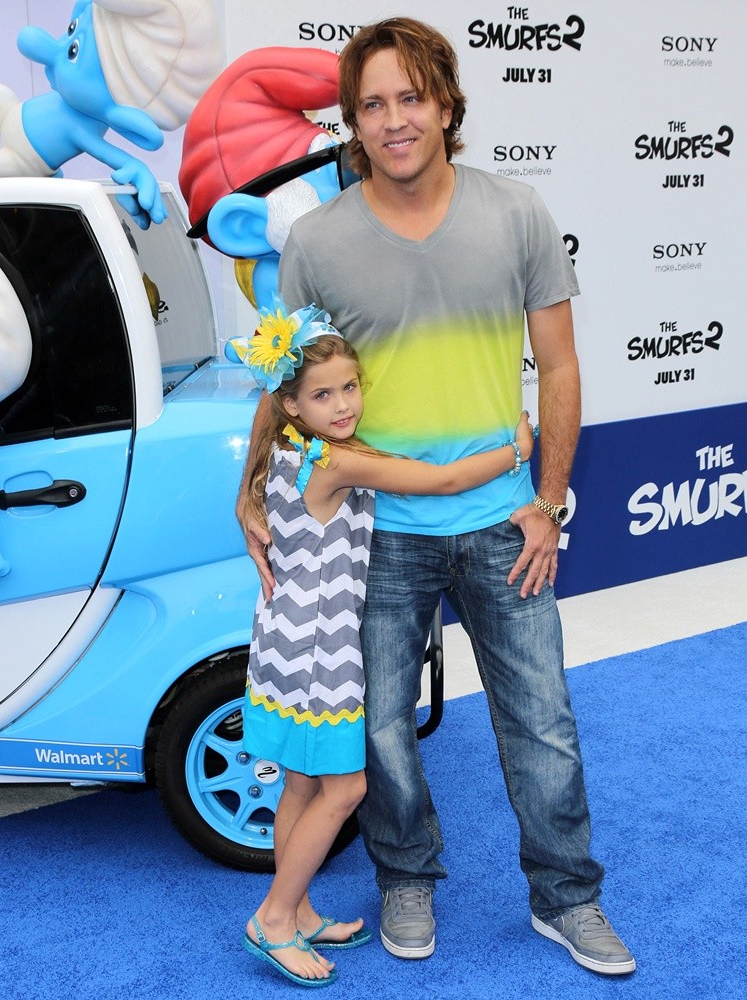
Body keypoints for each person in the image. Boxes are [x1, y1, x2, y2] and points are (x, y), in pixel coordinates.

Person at [238, 15, 636, 978]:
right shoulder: (318, 243)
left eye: (410, 97)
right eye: (372, 105)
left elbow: (561, 366)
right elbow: (283, 385)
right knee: (380, 732)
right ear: (352, 123)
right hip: (373, 535)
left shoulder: (518, 213)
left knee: (542, 722)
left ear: (447, 104)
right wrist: (249, 493)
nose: (394, 120)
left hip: (504, 520)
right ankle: (404, 879)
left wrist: (549, 501)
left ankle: (566, 896)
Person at [237, 299, 535, 987]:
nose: (343, 404)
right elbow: (442, 481)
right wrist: (517, 448)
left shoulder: (285, 450)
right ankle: (274, 919)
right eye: (323, 394)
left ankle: (298, 908)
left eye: (349, 386)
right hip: (321, 653)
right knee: (346, 787)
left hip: (283, 642)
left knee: (301, 782)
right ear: (290, 403)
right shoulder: (335, 462)